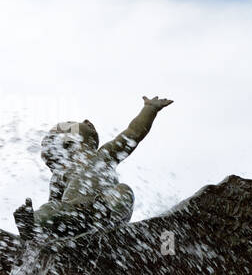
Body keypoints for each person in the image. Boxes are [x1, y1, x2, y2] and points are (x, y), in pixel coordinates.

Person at [14, 97, 173, 240]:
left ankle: (108, 222)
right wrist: (45, 221)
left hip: (105, 206)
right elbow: (53, 204)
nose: (85, 122)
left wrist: (149, 109)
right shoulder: (60, 174)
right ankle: (32, 227)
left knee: (123, 192)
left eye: (67, 126)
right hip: (74, 214)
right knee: (53, 209)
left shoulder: (105, 154)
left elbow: (133, 133)